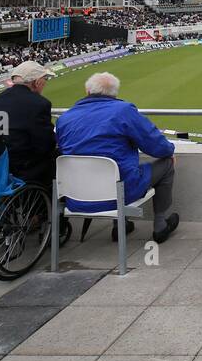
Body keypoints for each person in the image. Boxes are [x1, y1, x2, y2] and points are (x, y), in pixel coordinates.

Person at [56, 72, 180, 243]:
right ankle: (160, 225)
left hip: (75, 197)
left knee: (119, 164)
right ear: (114, 93)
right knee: (166, 163)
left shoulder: (64, 118)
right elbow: (157, 145)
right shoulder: (123, 111)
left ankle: (121, 225)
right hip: (120, 193)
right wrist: (169, 151)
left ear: (87, 91)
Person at [0, 60, 57, 187]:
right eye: (45, 79)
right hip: (18, 171)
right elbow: (46, 145)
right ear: (37, 82)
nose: (45, 83)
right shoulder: (38, 103)